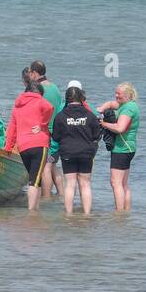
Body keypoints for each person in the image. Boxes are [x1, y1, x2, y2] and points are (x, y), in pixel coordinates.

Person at [4, 76, 55, 211]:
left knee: (35, 180)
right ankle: (32, 212)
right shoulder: (40, 101)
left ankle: (35, 209)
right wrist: (42, 124)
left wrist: (8, 148)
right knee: (34, 181)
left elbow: (11, 130)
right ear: (39, 93)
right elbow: (50, 108)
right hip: (38, 144)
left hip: (23, 147)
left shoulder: (17, 106)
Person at [52, 84, 101, 215]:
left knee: (70, 184)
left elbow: (55, 137)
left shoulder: (60, 116)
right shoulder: (90, 116)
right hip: (86, 153)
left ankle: (68, 214)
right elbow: (97, 135)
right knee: (85, 184)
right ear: (81, 98)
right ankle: (86, 214)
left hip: (68, 153)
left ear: (67, 99)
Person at [98, 82, 139, 212]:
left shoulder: (128, 109)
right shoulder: (127, 104)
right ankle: (126, 211)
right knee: (123, 184)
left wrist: (103, 124)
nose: (116, 96)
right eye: (115, 93)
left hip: (122, 149)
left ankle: (119, 212)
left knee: (115, 183)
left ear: (128, 95)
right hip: (129, 148)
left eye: (119, 94)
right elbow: (111, 104)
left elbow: (120, 128)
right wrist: (100, 109)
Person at [29, 60, 63, 198]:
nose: (29, 76)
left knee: (45, 168)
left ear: (35, 73)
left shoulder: (39, 89)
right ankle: (61, 195)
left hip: (46, 132)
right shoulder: (55, 87)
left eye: (30, 73)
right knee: (53, 165)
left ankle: (46, 198)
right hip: (58, 131)